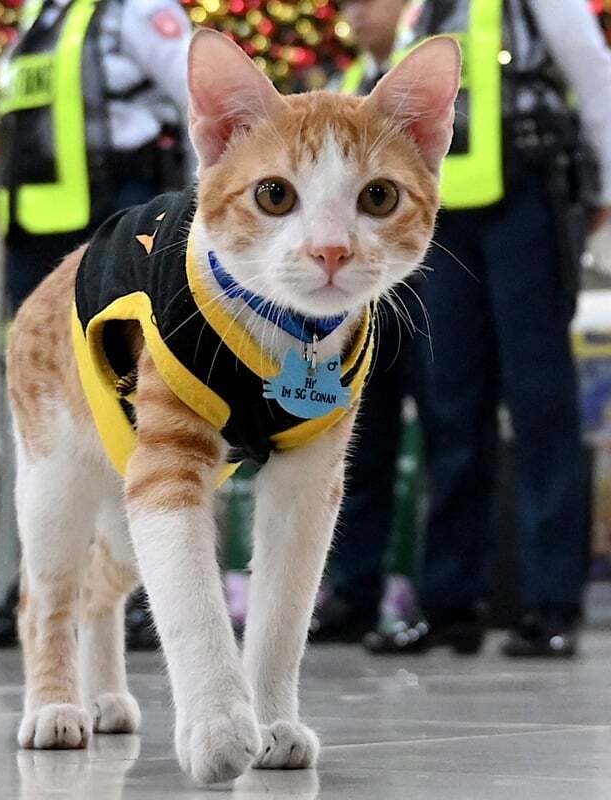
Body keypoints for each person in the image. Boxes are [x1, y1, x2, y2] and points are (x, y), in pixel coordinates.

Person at [365, 0, 611, 658]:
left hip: (527, 202)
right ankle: (450, 600)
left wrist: (606, 189)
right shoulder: (424, 9)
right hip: (447, 221)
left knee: (540, 403)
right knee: (450, 405)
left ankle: (550, 602)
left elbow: (594, 75)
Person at [0, 0, 192, 649]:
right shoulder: (35, 22)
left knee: (139, 409)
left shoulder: (138, 10)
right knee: (41, 424)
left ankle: (143, 593)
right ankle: (31, 593)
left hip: (121, 220)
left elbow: (203, 104)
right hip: (34, 235)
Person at [310, 0, 424, 643]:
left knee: (451, 420)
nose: (356, 9)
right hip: (350, 285)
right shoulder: (341, 90)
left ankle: (450, 596)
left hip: (438, 253)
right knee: (355, 426)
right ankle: (351, 591)